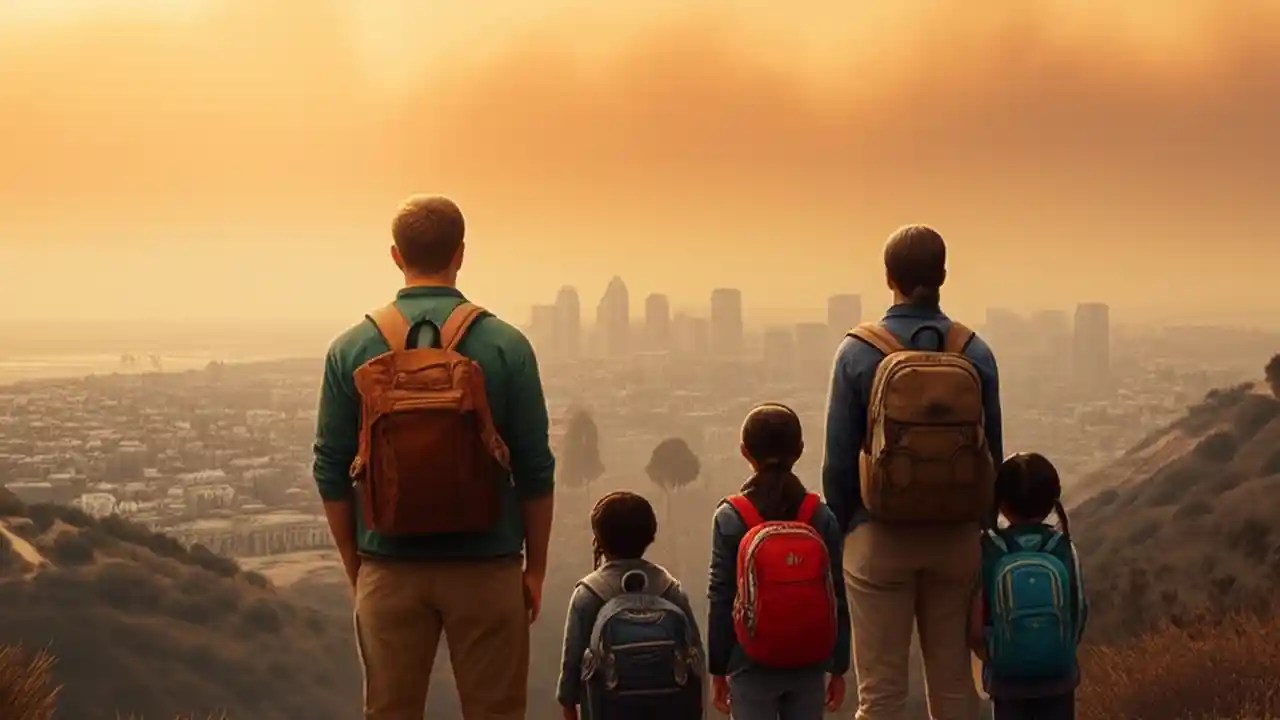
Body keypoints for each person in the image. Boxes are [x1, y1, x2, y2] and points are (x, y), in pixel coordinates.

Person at [312, 195, 556, 720]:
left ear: (396, 256)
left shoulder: (351, 348)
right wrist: (534, 568)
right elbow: (536, 468)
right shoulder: (506, 346)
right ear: (460, 254)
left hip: (388, 564)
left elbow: (329, 468)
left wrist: (359, 566)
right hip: (487, 565)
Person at [822, 225, 1003, 720]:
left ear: (888, 277)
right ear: (943, 275)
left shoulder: (858, 352)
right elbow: (994, 460)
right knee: (953, 690)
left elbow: (837, 463)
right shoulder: (974, 352)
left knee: (880, 696)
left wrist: (852, 529)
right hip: (955, 541)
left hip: (879, 539)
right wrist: (979, 534)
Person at [708, 403, 851, 720]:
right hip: (809, 659)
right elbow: (837, 594)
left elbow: (720, 595)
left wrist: (718, 668)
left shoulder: (731, 517)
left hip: (750, 660)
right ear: (799, 450)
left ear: (745, 452)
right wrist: (838, 666)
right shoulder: (819, 515)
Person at [557, 491, 704, 720]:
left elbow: (572, 662)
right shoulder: (669, 589)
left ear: (600, 539)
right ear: (650, 535)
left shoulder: (589, 594)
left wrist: (568, 704)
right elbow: (695, 655)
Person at [969, 453, 1087, 720]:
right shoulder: (1063, 547)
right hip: (1058, 675)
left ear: (1001, 503)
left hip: (1007, 680)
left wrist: (989, 654)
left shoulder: (990, 549)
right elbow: (1078, 612)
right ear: (1051, 502)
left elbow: (976, 627)